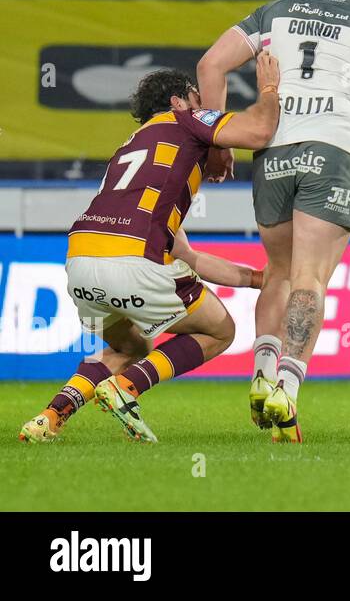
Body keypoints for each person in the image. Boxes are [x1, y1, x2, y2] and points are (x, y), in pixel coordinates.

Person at [19, 55, 281, 443]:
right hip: (135, 256)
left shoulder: (135, 149)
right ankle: (128, 388)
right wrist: (270, 88)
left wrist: (261, 279)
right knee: (220, 331)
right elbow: (259, 132)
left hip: (80, 258)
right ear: (179, 102)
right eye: (198, 98)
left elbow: (189, 258)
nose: (204, 108)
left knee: (129, 344)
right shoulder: (186, 121)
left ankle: (50, 417)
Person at [196, 0, 350, 442]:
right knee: (311, 275)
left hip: (273, 152)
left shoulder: (273, 12)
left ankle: (262, 372)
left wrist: (220, 147)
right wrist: (349, 143)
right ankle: (286, 387)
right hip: (330, 151)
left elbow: (210, 66)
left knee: (279, 272)